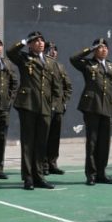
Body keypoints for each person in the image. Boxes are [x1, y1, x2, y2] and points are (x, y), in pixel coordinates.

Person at [7, 31, 62, 190]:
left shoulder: (51, 62)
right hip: (28, 105)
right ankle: (28, 178)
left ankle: (39, 176)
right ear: (30, 45)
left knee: (41, 143)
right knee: (28, 143)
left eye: (41, 41)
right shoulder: (24, 58)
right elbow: (10, 52)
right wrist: (24, 41)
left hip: (45, 106)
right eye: (35, 41)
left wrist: (55, 104)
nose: (40, 43)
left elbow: (56, 85)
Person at [70, 38, 112, 185]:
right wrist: (89, 49)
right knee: (92, 143)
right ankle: (91, 175)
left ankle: (101, 173)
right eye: (100, 47)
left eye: (105, 47)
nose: (103, 49)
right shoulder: (88, 64)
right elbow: (73, 59)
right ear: (95, 50)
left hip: (107, 108)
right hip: (92, 107)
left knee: (104, 143)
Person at [0, 37, 18, 179]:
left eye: (0, 45)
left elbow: (14, 82)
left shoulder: (7, 63)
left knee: (1, 138)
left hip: (4, 107)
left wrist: (10, 100)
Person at [45, 42, 73, 175]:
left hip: (58, 108)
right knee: (43, 137)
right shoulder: (42, 65)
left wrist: (64, 102)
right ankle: (42, 164)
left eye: (55, 50)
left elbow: (68, 86)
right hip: (44, 106)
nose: (53, 52)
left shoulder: (60, 66)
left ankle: (52, 163)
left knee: (54, 137)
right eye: (50, 49)